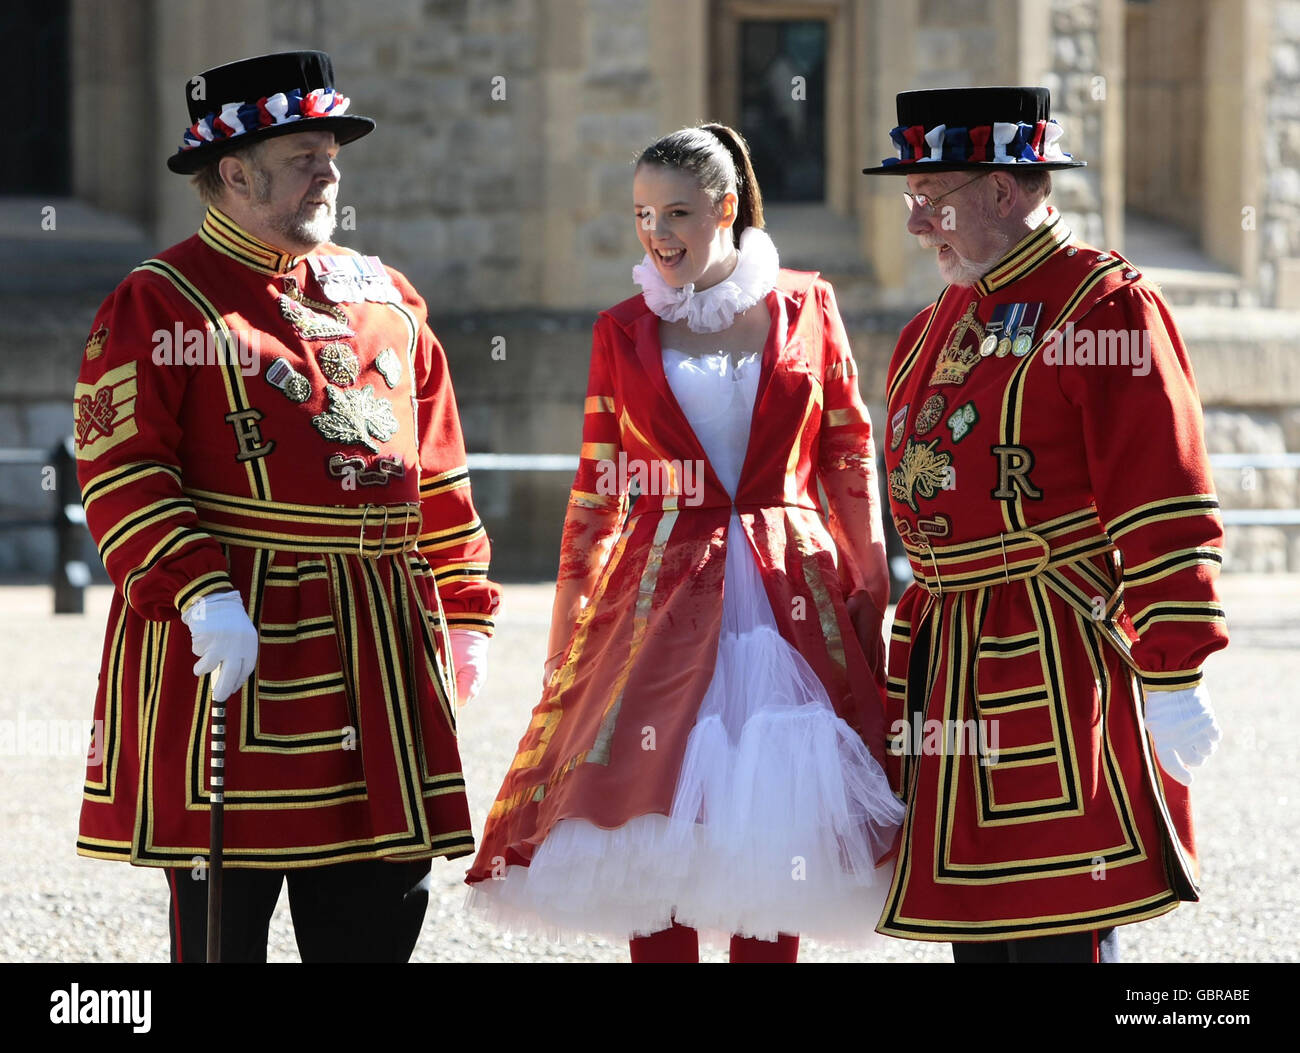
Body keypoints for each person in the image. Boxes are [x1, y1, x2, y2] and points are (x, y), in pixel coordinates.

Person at [72, 50, 499, 962]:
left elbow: (440, 471)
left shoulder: (388, 296)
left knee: (382, 909)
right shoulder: (158, 301)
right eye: (305, 153)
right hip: (236, 633)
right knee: (226, 928)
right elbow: (120, 466)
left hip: (381, 645)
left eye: (333, 152)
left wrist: (464, 608)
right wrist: (197, 591)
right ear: (234, 172)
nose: (330, 170)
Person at [465, 124, 903, 963]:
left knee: (778, 835)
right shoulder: (622, 328)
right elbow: (595, 492)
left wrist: (870, 578)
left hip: (789, 592)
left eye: (676, 212)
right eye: (641, 215)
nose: (657, 234)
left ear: (726, 208)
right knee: (648, 824)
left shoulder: (808, 304)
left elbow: (849, 449)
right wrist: (566, 632)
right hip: (658, 594)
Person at [862, 86, 1228, 962]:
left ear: (1003, 191)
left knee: (1061, 928)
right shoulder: (928, 328)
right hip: (949, 669)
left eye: (933, 200)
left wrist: (1178, 669)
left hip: (1056, 670)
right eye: (910, 202)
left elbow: (1163, 497)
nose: (917, 227)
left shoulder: (1104, 307)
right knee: (979, 936)